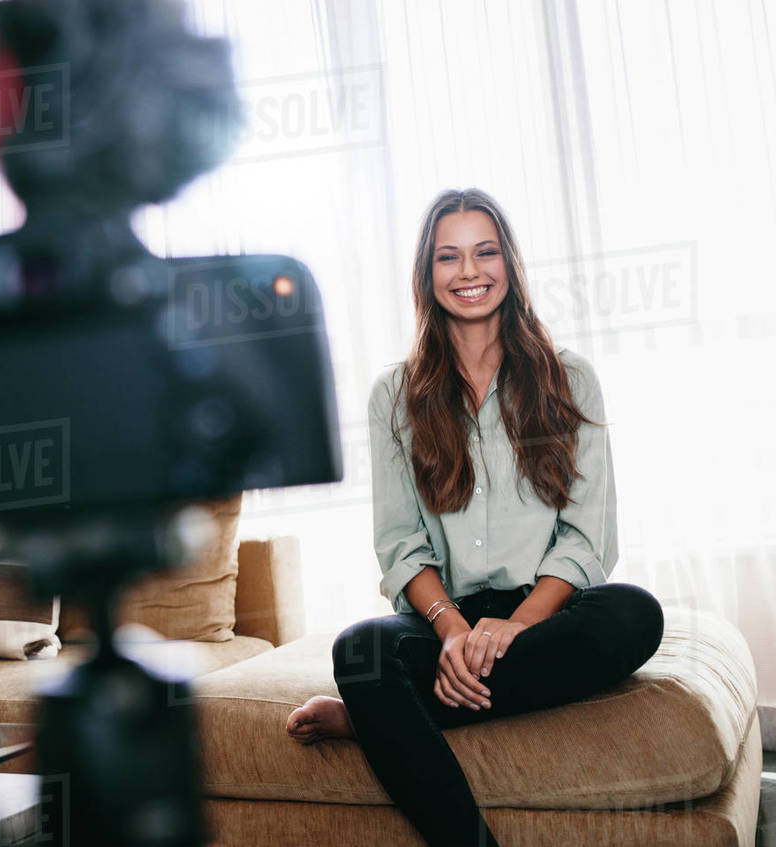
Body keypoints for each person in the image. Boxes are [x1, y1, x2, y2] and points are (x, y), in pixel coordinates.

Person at [284, 188, 665, 847]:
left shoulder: (569, 378)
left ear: (510, 265)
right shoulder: (394, 396)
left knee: (637, 614)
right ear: (427, 276)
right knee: (361, 650)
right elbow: (402, 542)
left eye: (485, 252)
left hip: (543, 613)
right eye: (448, 256)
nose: (469, 272)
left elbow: (585, 536)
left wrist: (512, 629)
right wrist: (457, 631)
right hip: (445, 617)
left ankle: (375, 717)